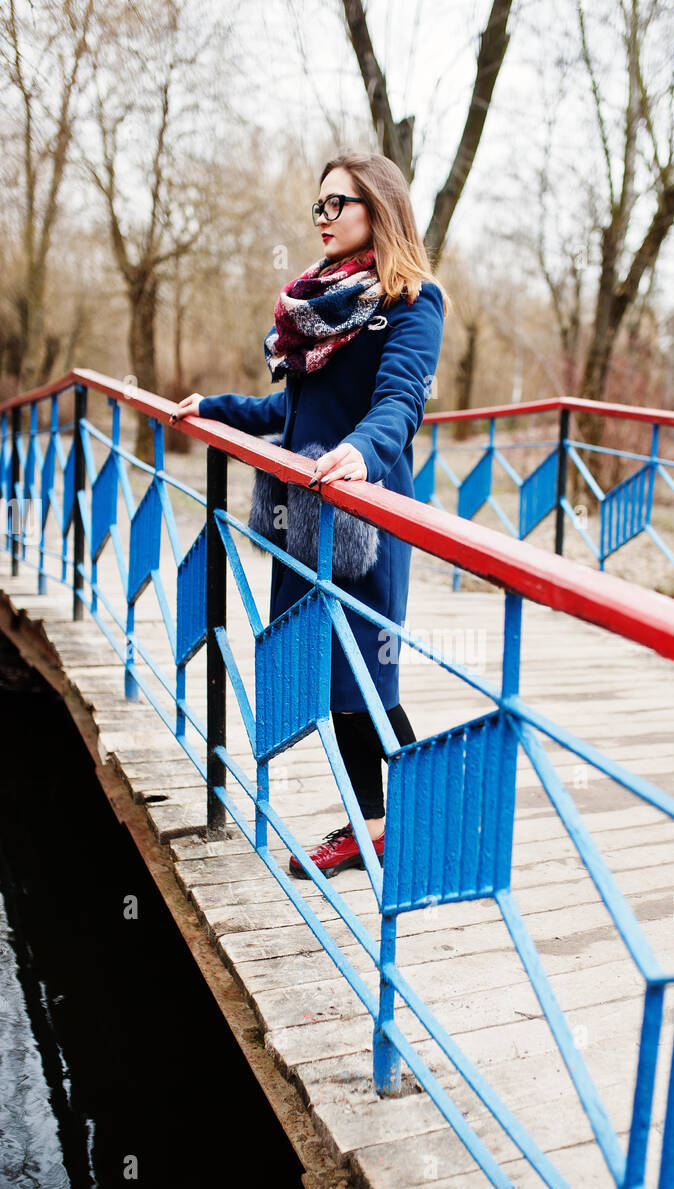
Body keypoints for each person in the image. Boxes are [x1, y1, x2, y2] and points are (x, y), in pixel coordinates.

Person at [172, 150, 447, 879]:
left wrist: (363, 450)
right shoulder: (313, 308)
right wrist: (217, 410)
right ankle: (376, 824)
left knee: (367, 680)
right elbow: (287, 412)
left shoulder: (409, 301)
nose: (322, 218)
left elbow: (401, 400)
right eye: (318, 207)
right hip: (303, 515)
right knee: (329, 681)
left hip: (365, 516)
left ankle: (409, 822)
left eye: (338, 204)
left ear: (377, 209)